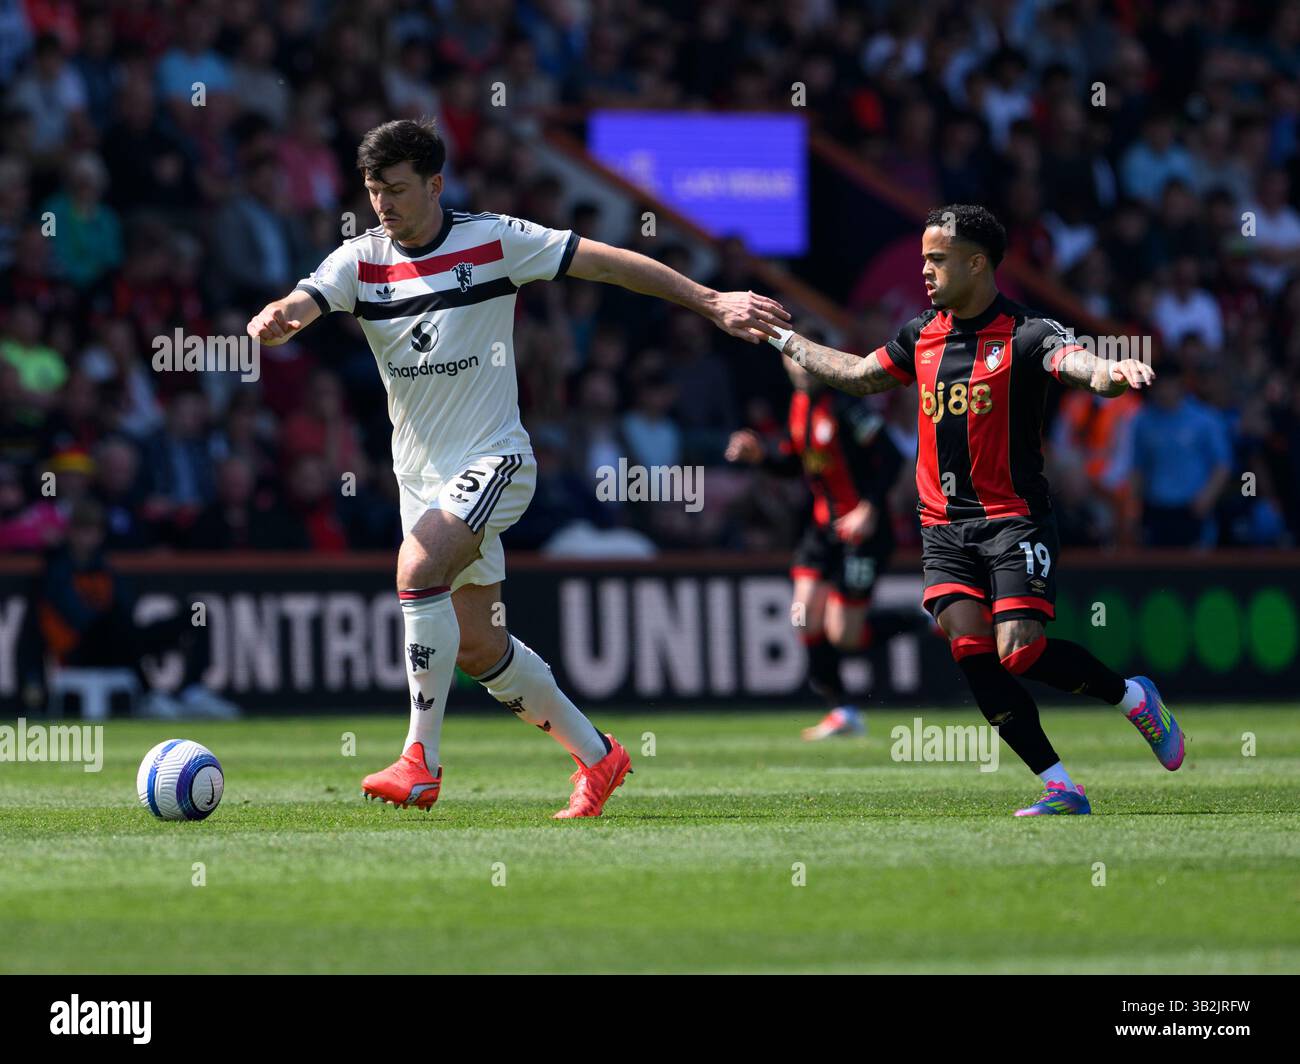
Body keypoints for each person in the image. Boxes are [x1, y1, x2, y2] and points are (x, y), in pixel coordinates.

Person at [246, 117, 788, 818]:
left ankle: (421, 760)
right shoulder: (360, 261)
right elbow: (304, 299)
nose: (384, 204)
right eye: (375, 190)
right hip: (420, 479)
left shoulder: (494, 240)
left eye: (399, 190)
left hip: (494, 459)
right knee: (476, 646)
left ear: (436, 185)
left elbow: (608, 261)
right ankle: (599, 756)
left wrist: (711, 300)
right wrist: (279, 317)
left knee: (416, 571)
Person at [760, 204, 1185, 816]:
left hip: (1013, 518)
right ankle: (1061, 785)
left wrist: (1111, 373)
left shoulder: (1028, 333)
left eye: (937, 259)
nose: (926, 270)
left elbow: (1078, 365)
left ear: (977, 263)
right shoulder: (919, 335)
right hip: (943, 529)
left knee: (1022, 651)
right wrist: (781, 337)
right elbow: (854, 374)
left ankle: (1133, 699)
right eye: (924, 259)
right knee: (971, 648)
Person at [726, 350, 927, 740]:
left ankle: (921, 617)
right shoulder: (799, 406)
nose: (798, 368)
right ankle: (842, 710)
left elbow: (889, 458)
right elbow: (794, 463)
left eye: (804, 359)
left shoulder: (847, 406)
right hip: (823, 531)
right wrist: (761, 457)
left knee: (844, 635)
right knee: (802, 616)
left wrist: (868, 508)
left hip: (864, 531)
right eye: (791, 361)